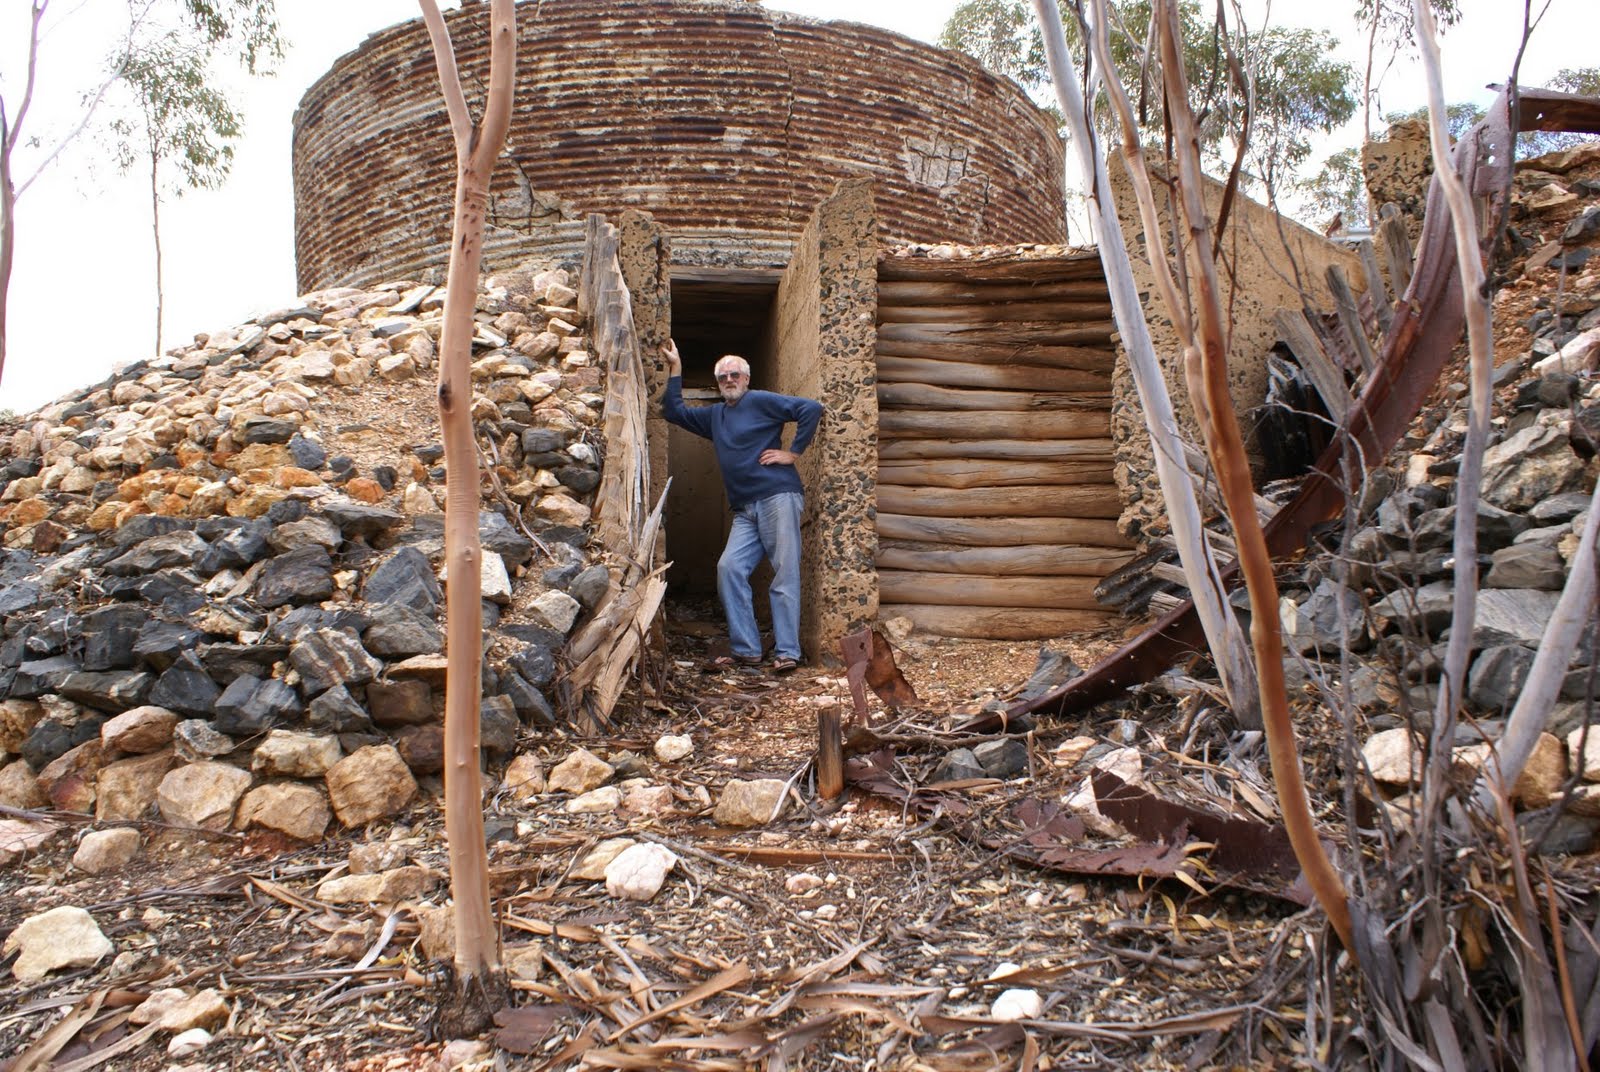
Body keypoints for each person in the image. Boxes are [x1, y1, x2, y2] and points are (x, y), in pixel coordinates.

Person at [660, 340, 824, 673]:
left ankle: (788, 652)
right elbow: (673, 411)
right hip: (745, 510)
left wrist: (793, 452)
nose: (729, 380)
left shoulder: (760, 401)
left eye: (735, 375)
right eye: (723, 377)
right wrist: (676, 368)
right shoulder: (715, 416)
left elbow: (811, 408)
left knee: (785, 574)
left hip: (777, 496)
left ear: (746, 379)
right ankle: (747, 648)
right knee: (730, 569)